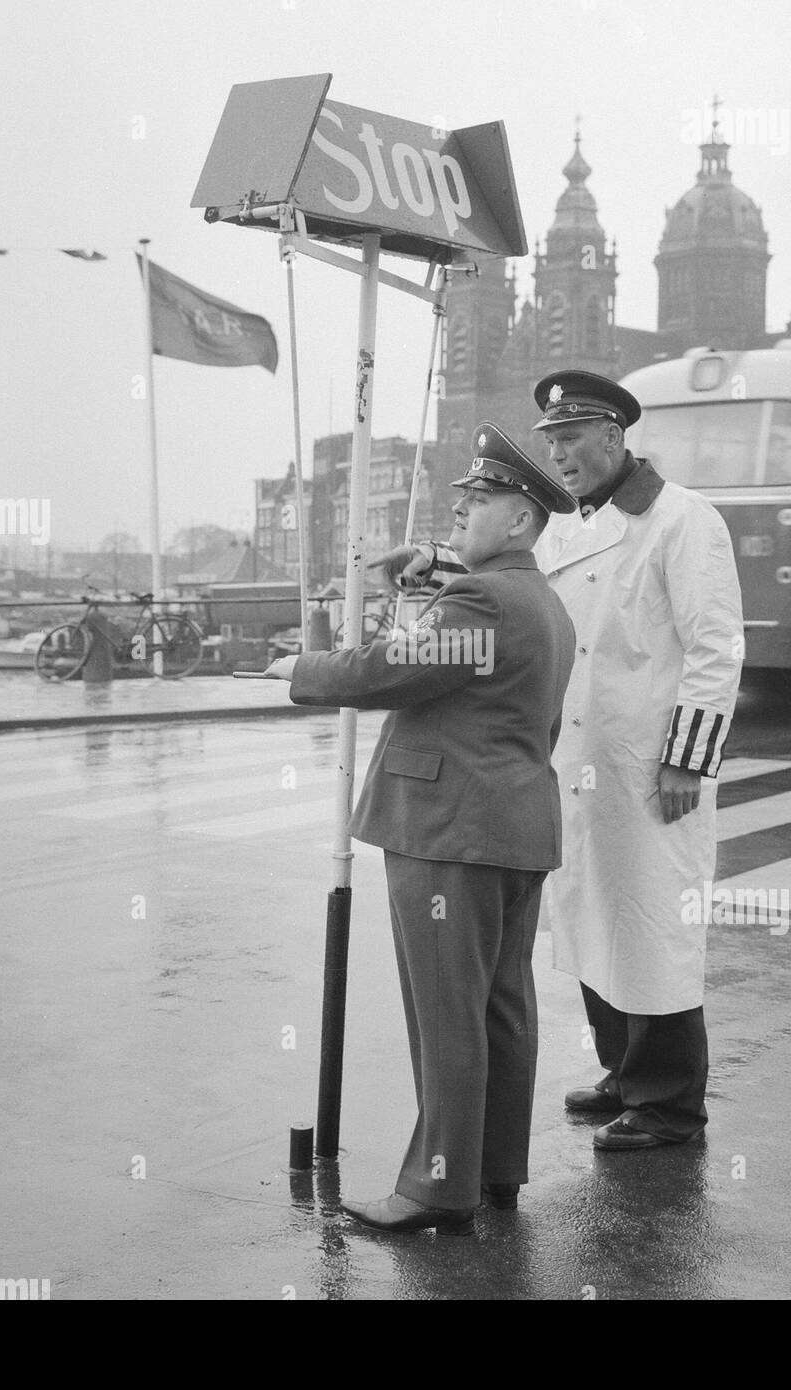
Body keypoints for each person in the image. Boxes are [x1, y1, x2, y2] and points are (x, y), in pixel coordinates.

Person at [377, 371, 744, 1151]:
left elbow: (718, 651)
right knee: (592, 918)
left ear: (613, 437)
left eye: (572, 438)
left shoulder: (683, 520)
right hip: (577, 762)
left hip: (649, 766)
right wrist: (433, 559)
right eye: (551, 442)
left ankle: (671, 1104)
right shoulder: (574, 527)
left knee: (651, 924)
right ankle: (623, 1073)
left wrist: (687, 761)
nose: (561, 455)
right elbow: (513, 579)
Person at [266, 422, 576, 1232]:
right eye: (463, 499)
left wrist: (298, 668)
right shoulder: (539, 600)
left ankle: (438, 1189)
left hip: (450, 832)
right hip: (513, 829)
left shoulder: (481, 599)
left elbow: (387, 671)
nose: (463, 511)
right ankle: (496, 1171)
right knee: (500, 1010)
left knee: (447, 1014)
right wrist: (430, 568)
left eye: (481, 501)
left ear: (521, 520)